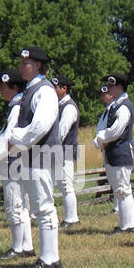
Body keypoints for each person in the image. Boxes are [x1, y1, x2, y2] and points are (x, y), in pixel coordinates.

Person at [8, 46, 62, 268]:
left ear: (38, 65)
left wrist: (16, 138)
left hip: (42, 154)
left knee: (43, 207)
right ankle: (51, 257)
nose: (21, 67)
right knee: (40, 206)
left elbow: (40, 126)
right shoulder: (33, 90)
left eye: (25, 63)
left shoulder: (44, 91)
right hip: (34, 154)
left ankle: (48, 259)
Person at [0, 70, 35, 262]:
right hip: (18, 159)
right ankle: (26, 245)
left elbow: (9, 137)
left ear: (14, 87)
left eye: (3, 87)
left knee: (14, 204)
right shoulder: (17, 106)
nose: (0, 90)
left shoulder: (17, 108)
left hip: (13, 160)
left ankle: (18, 247)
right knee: (21, 204)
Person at [93, 72, 134, 234]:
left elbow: (116, 131)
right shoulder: (117, 105)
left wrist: (100, 137)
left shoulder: (124, 106)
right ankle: (125, 224)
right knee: (120, 190)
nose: (109, 88)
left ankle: (129, 225)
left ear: (119, 87)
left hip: (121, 151)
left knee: (123, 190)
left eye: (111, 85)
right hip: (114, 152)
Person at [53, 76, 81, 227]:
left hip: (66, 150)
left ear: (64, 89)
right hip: (60, 150)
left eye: (56, 87)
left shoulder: (69, 107)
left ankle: (72, 218)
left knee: (66, 185)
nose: (54, 89)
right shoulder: (60, 106)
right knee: (62, 184)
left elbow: (62, 131)